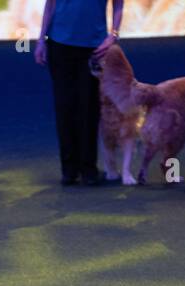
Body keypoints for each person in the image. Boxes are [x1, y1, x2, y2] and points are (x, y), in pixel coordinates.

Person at [34, 0, 125, 186]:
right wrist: (41, 39)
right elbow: (50, 4)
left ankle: (88, 168)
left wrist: (113, 35)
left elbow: (118, 5)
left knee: (89, 107)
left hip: (94, 47)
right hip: (60, 43)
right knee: (64, 106)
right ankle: (68, 169)